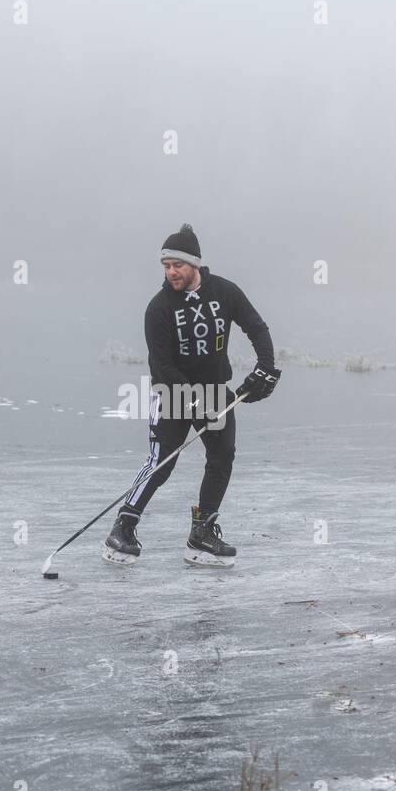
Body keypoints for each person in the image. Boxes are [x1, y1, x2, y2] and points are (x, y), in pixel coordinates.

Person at [104, 224, 279, 567]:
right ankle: (123, 526)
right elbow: (162, 367)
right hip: (171, 394)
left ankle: (202, 533)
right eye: (166, 266)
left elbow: (256, 327)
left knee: (222, 458)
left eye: (177, 266)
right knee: (162, 463)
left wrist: (266, 367)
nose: (171, 273)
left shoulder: (225, 292)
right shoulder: (158, 309)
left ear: (194, 263)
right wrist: (194, 400)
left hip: (215, 390)